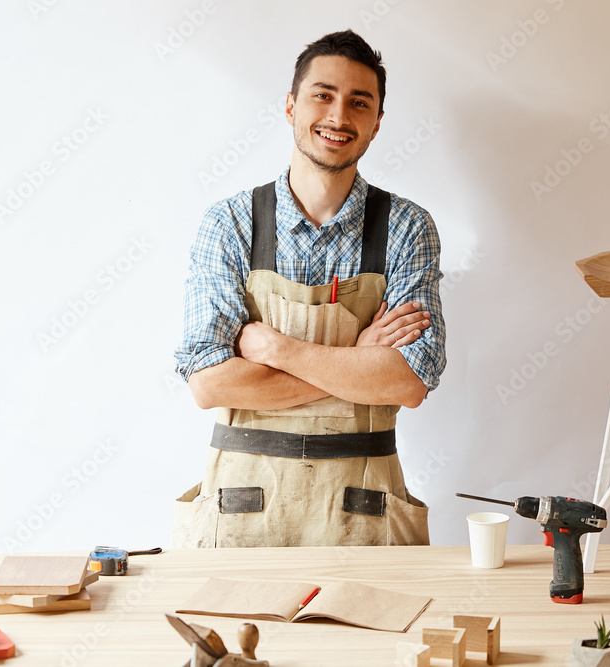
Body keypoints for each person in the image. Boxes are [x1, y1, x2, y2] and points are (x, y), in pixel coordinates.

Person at [173, 29, 446, 548]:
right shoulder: (230, 223)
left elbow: (409, 382)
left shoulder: (408, 227)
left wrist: (275, 349)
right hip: (240, 511)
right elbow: (209, 384)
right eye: (323, 95)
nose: (339, 117)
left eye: (358, 103)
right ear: (291, 106)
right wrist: (358, 360)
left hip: (365, 511)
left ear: (377, 123)